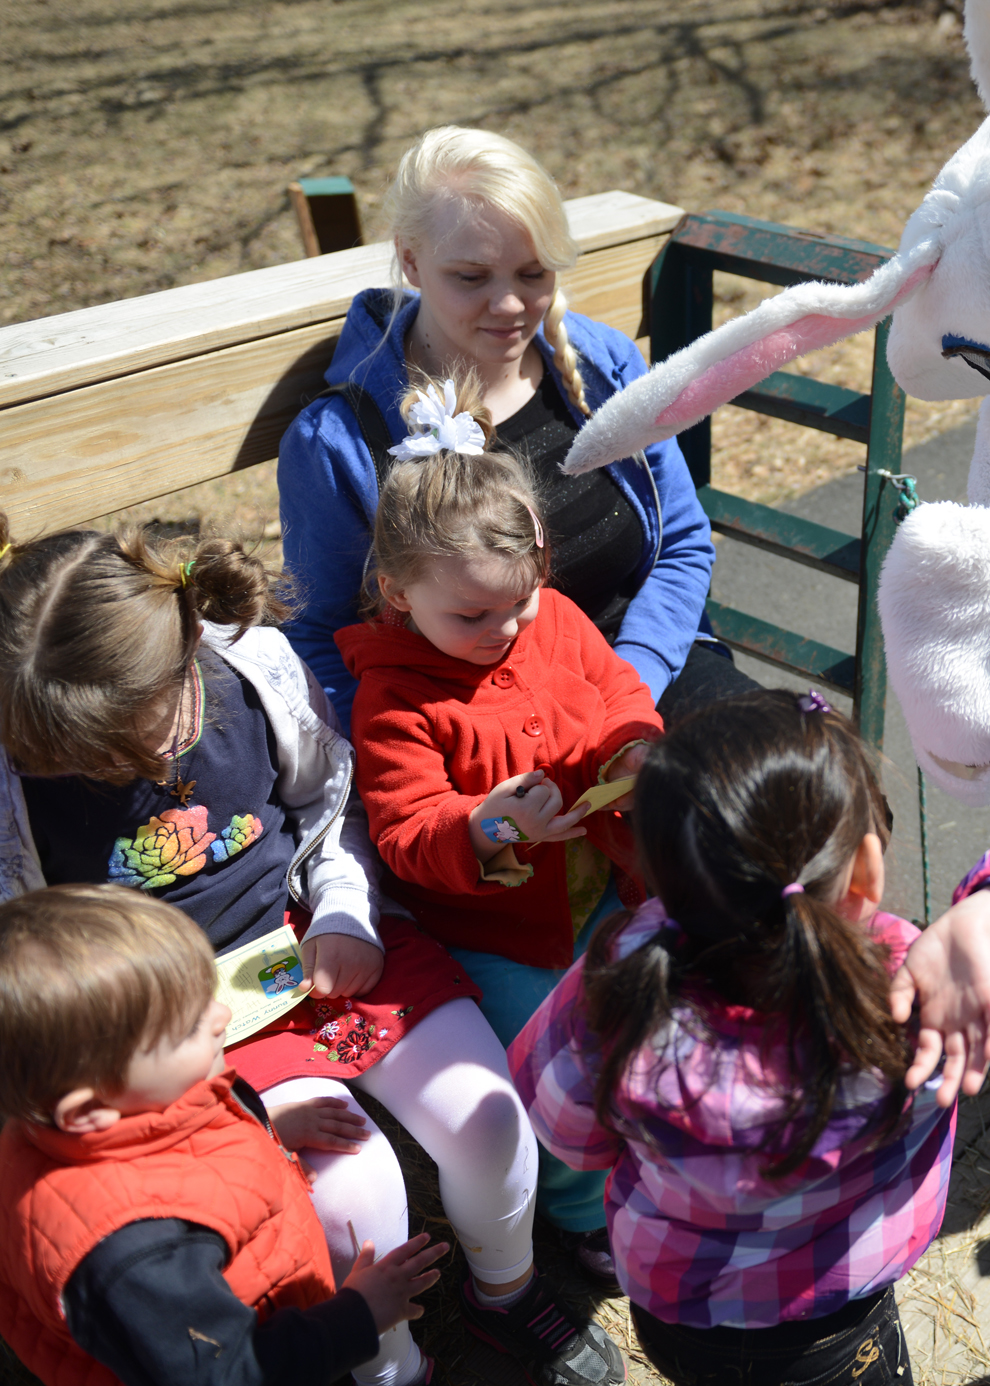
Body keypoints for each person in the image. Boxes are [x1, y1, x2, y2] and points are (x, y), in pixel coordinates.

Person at [0, 518, 574, 1386]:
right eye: (90, 758)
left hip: (317, 935)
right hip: (172, 1022)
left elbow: (328, 809)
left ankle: (506, 1291)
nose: (120, 768)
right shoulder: (26, 749)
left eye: (129, 739)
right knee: (351, 1196)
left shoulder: (252, 671)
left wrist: (346, 912)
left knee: (488, 1116)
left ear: (188, 649)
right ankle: (393, 1369)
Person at [509, 688, 990, 1385]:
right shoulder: (918, 1001)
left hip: (676, 1309)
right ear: (866, 870)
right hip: (835, 1326)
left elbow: (567, 1131)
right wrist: (989, 913)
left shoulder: (618, 975)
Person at [336, 373, 659, 1330]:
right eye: (470, 617)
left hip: (598, 887)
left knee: (637, 1024)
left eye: (516, 605)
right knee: (550, 1061)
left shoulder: (549, 621)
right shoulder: (394, 697)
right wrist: (481, 826)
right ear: (398, 593)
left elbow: (616, 696)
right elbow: (404, 831)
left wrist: (634, 748)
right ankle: (572, 1209)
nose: (502, 632)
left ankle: (636, 1156)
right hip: (496, 931)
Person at [277, 123, 752, 737]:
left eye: (533, 274)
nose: (509, 306)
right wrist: (396, 756)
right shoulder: (338, 443)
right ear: (412, 260)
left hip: (638, 673)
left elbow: (682, 543)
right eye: (472, 278)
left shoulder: (602, 364)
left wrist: (628, 693)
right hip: (473, 727)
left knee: (806, 795)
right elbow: (320, 632)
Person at [0, 884, 450, 1386]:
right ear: (87, 1111)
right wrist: (359, 1315)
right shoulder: (133, 1257)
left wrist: (268, 1127)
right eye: (188, 1026)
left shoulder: (100, 1111)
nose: (222, 1017)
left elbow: (178, 1153)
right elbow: (230, 1373)